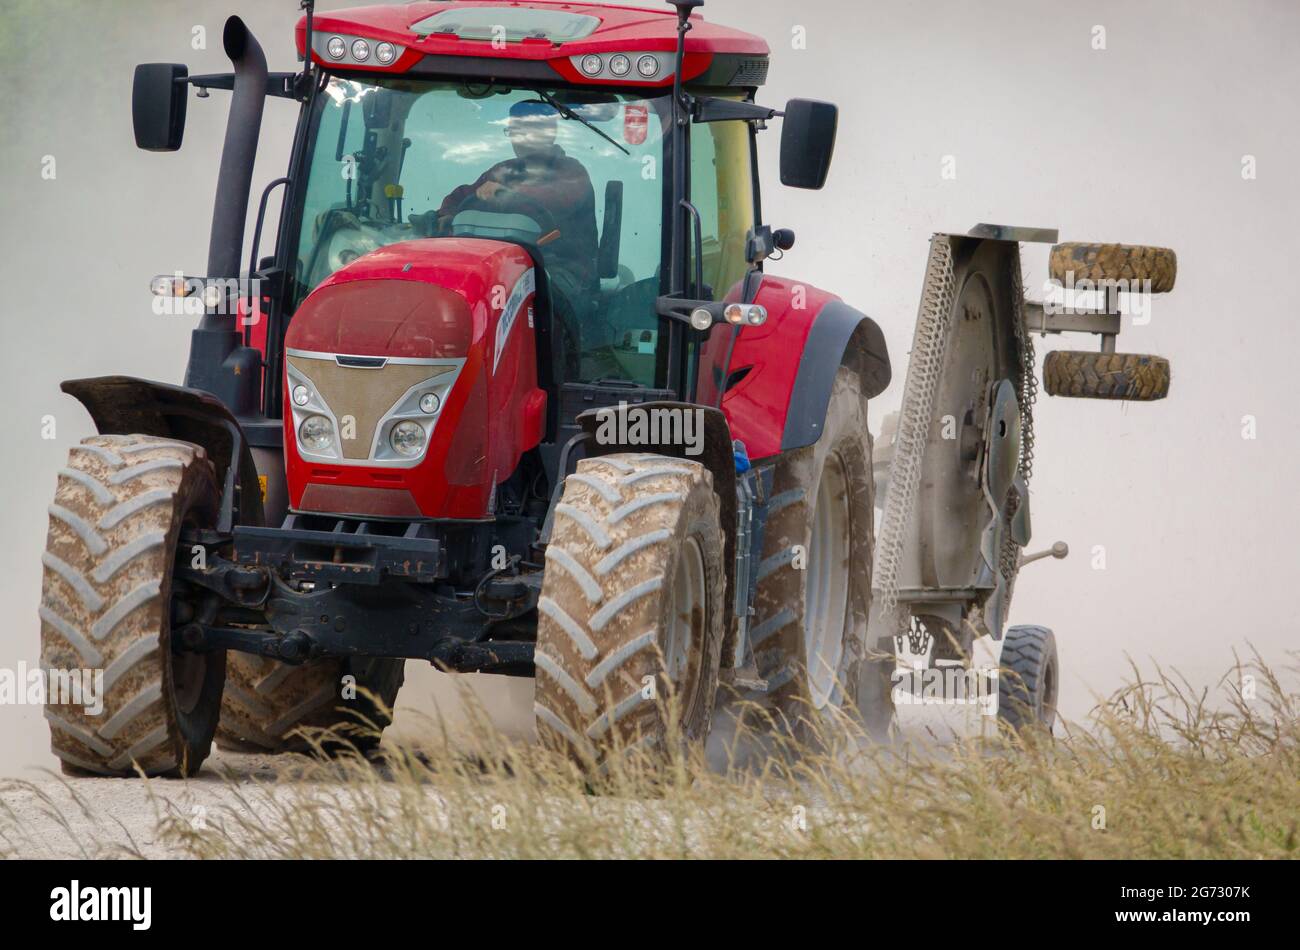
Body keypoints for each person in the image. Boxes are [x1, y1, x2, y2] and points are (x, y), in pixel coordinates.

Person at [437, 100, 599, 318]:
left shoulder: (572, 173)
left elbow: (555, 199)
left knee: (531, 307)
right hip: (506, 266)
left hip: (562, 270)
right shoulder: (504, 170)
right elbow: (464, 195)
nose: (518, 139)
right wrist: (445, 215)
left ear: (550, 132)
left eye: (526, 131)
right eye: (513, 131)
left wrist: (506, 192)